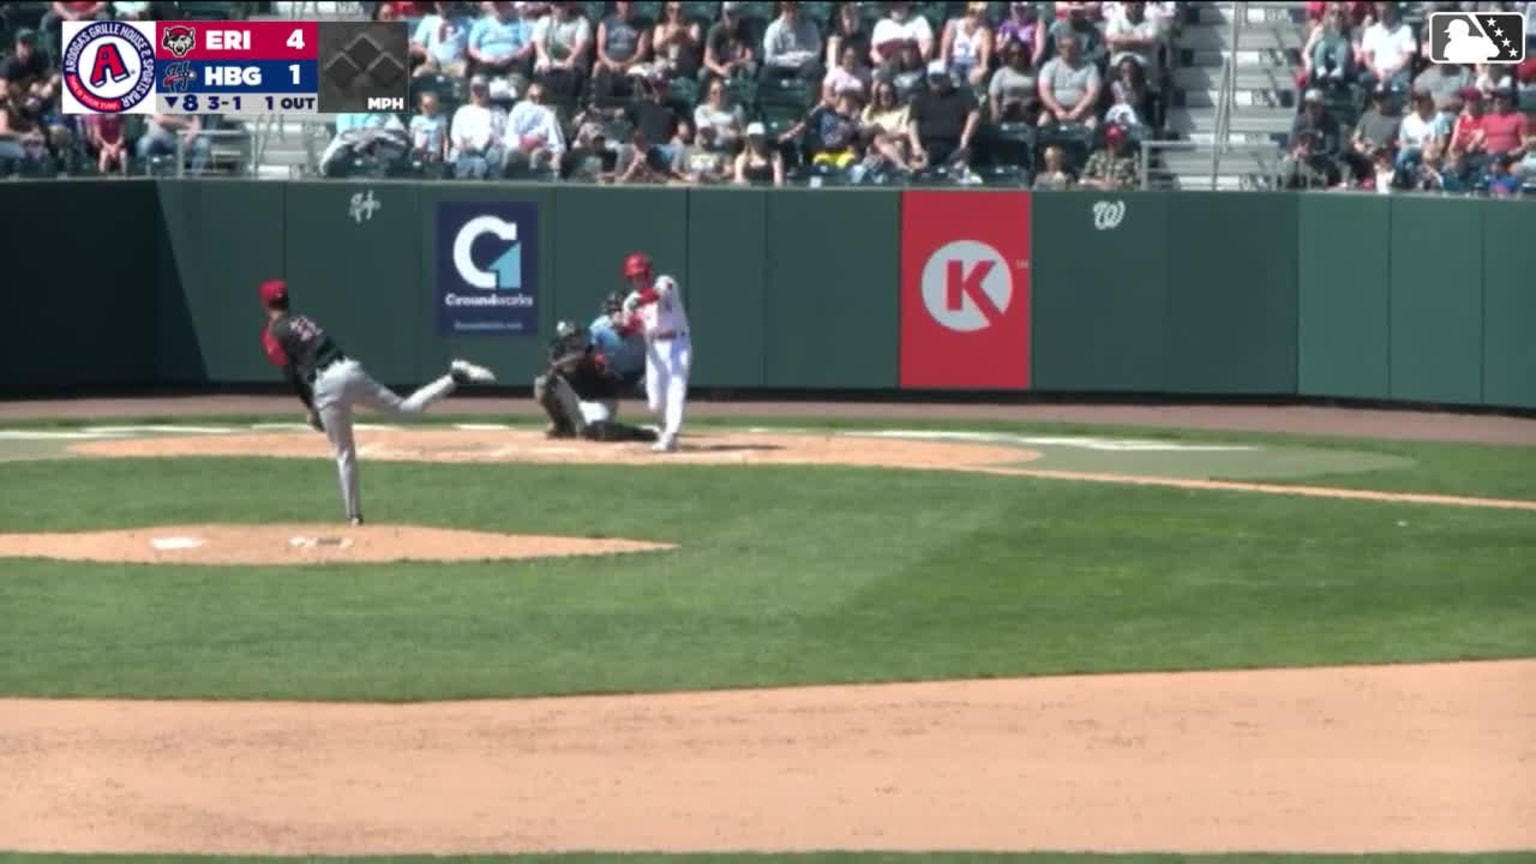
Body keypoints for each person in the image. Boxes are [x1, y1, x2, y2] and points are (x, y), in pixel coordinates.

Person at [257, 279, 496, 525]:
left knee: (344, 452)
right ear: (287, 299)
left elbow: (291, 375)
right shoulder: (302, 320)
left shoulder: (274, 332)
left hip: (326, 385)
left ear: (264, 303)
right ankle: (454, 377)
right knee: (406, 411)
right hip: (349, 369)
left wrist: (311, 408)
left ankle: (354, 516)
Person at [533, 317, 657, 443]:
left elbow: (584, 359)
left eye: (577, 336)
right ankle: (562, 425)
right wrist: (554, 368)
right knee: (542, 383)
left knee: (598, 431)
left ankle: (640, 433)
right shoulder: (558, 354)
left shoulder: (594, 351)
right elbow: (547, 375)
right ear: (565, 340)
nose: (577, 340)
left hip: (600, 401)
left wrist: (563, 363)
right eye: (572, 337)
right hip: (577, 399)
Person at [618, 252, 691, 453]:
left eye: (640, 274)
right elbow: (629, 329)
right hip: (654, 348)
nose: (637, 279)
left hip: (677, 343)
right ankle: (665, 428)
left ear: (648, 273)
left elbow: (655, 295)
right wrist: (622, 324)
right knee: (655, 402)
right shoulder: (629, 301)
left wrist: (638, 303)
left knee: (676, 388)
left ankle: (672, 434)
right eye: (633, 276)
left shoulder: (666, 282)